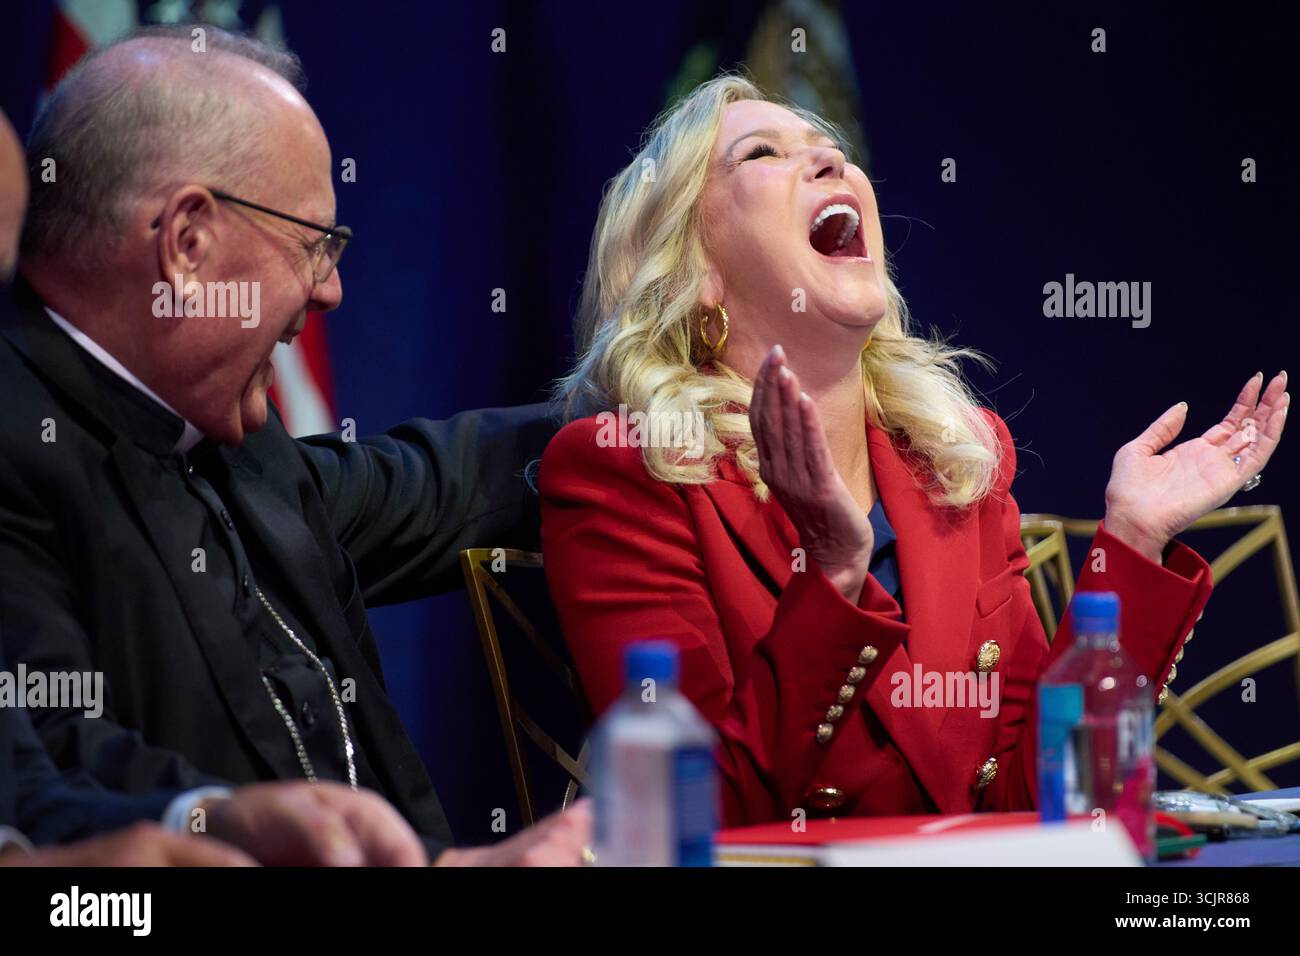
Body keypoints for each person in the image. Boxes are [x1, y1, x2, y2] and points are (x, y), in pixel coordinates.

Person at [539, 75, 1288, 826]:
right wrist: (832, 574)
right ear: (696, 272)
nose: (834, 163)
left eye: (832, 150)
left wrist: (1132, 539)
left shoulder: (955, 463)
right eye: (763, 152)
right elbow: (684, 818)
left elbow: (1056, 803)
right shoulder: (625, 471)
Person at [0, 28, 587, 864]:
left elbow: (432, 484)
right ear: (188, 243)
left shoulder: (235, 443)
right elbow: (50, 772)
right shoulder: (21, 447)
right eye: (314, 244)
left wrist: (640, 416)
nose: (333, 289)